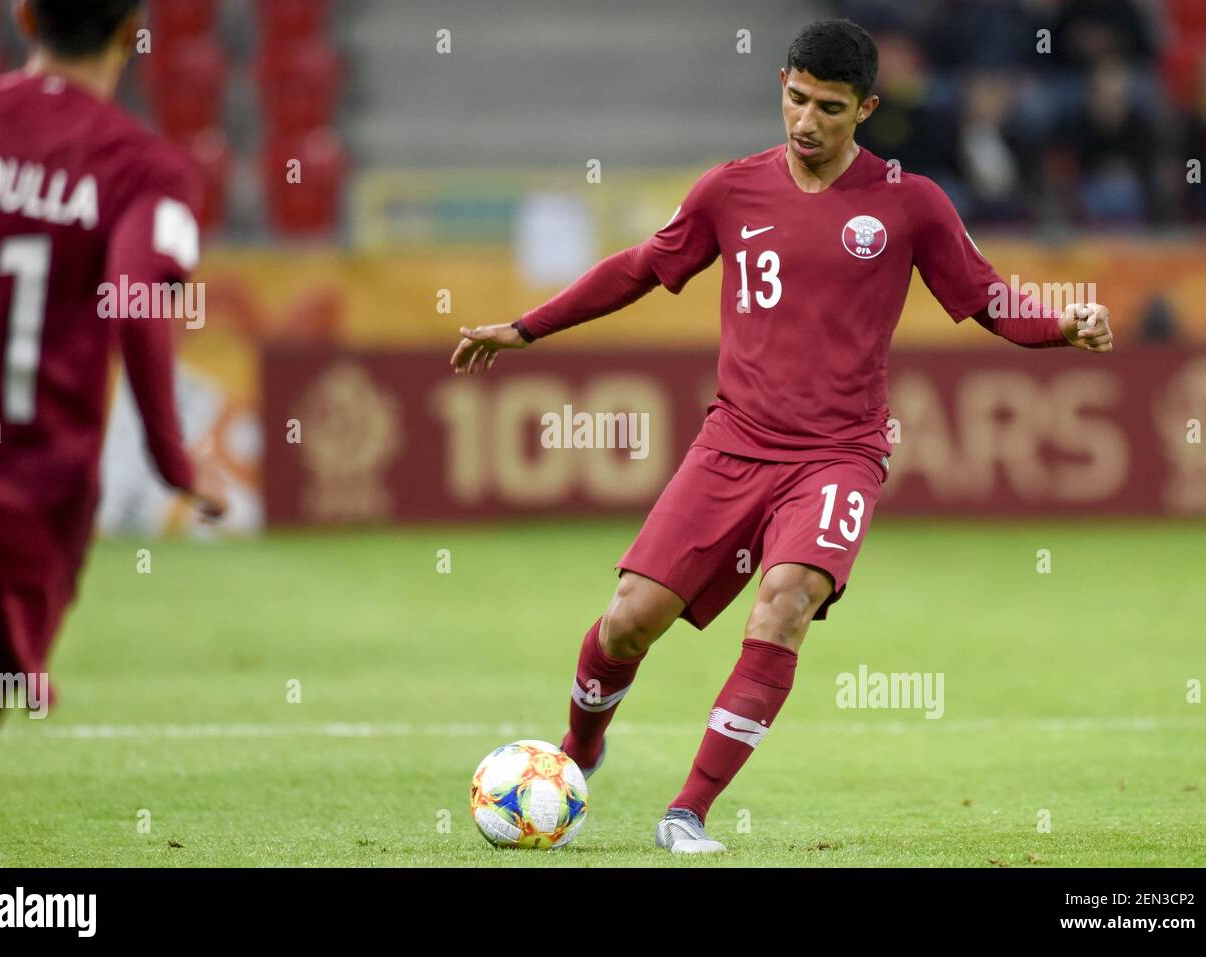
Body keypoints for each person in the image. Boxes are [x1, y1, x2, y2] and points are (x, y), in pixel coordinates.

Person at [450, 18, 1113, 853]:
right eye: (796, 99)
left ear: (866, 108)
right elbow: (639, 269)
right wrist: (525, 327)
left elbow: (985, 299)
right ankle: (578, 750)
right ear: (781, 85)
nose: (806, 122)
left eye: (829, 108)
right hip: (733, 443)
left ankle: (686, 811)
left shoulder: (911, 202)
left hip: (840, 455)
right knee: (627, 620)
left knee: (786, 600)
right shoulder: (730, 190)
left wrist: (1063, 327)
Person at [0, 0, 227, 865]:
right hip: (22, 507)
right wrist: (173, 459)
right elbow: (140, 306)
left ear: (25, 18)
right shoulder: (144, 169)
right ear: (129, 33)